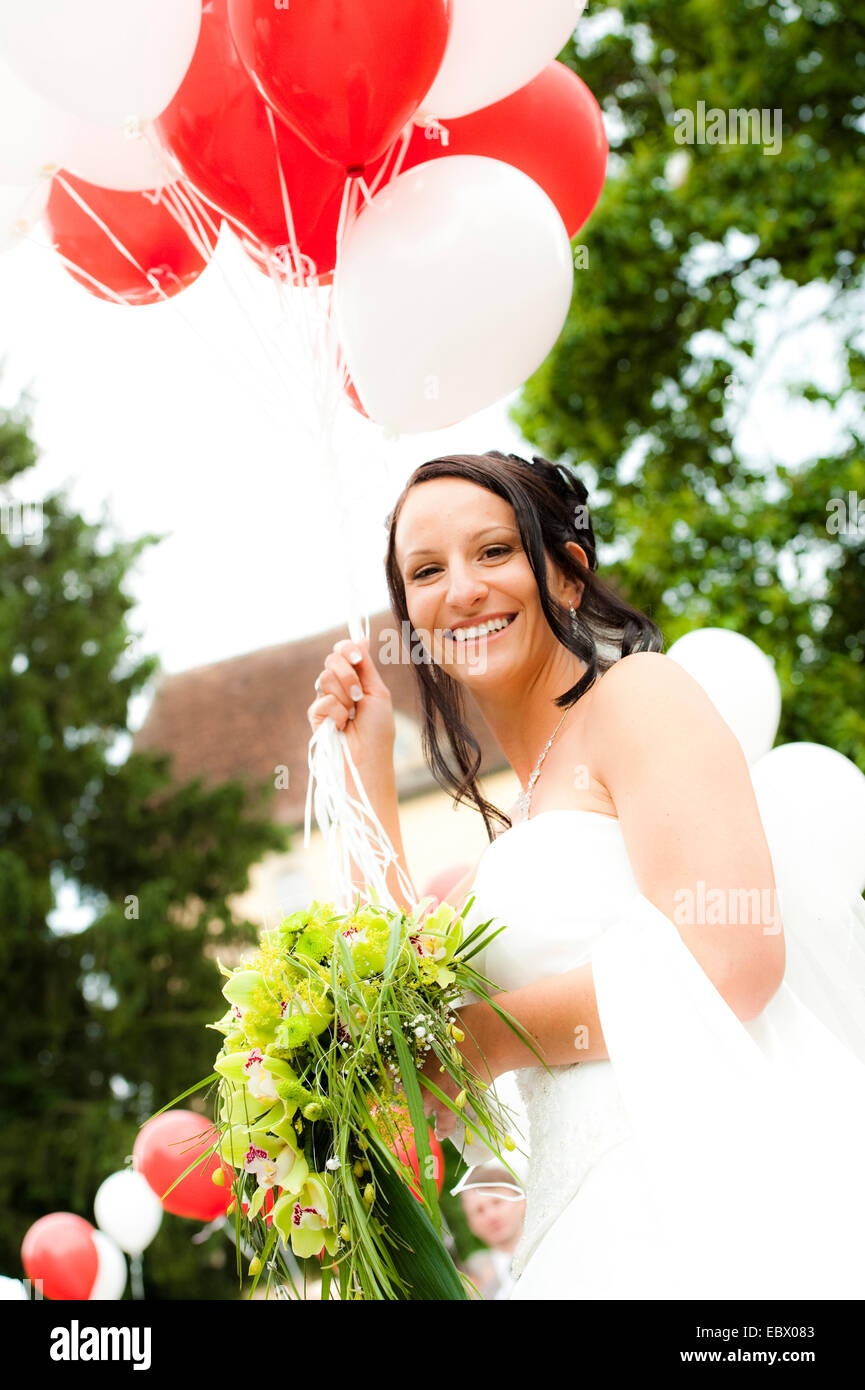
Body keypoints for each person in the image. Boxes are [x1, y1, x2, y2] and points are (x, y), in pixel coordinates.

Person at [307, 449, 865, 1300]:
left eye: (493, 551)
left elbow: (731, 959)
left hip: (699, 1204)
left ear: (566, 576)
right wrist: (363, 767)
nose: (460, 588)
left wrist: (482, 1042)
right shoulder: (511, 834)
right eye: (426, 570)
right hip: (576, 1237)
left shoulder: (639, 695)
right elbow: (392, 1020)